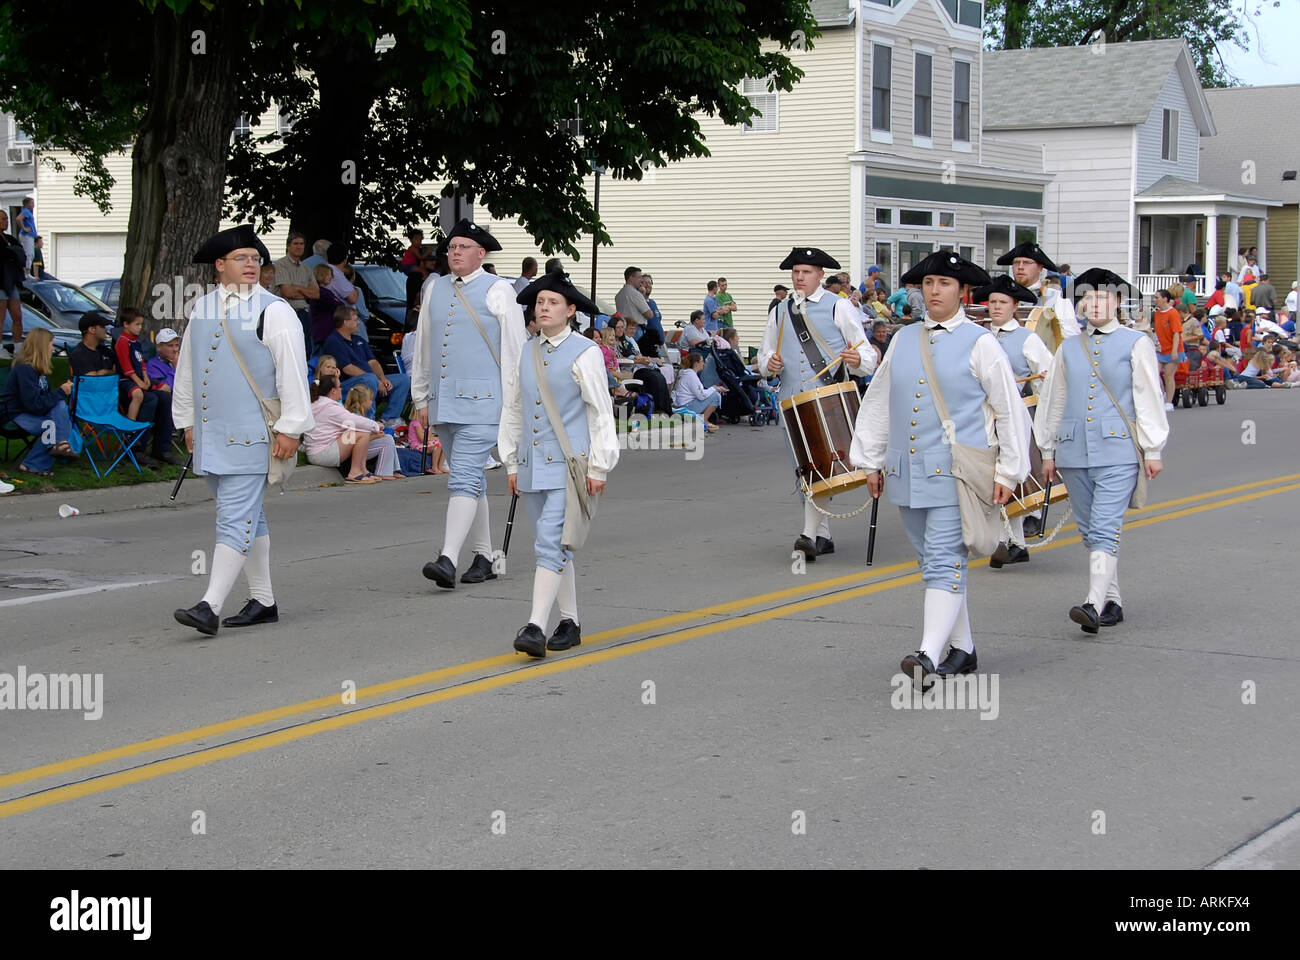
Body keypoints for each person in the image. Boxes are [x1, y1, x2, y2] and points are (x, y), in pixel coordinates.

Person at [850, 251, 1027, 688]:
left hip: (957, 473)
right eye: (928, 284)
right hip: (907, 470)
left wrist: (1008, 471)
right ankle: (963, 649)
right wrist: (870, 459)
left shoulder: (981, 342)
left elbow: (1009, 409)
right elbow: (879, 401)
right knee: (935, 563)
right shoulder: (904, 338)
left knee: (946, 558)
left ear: (963, 291)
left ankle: (927, 653)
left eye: (944, 283)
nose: (934, 291)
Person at [171, 224, 314, 636]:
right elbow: (187, 370)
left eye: (255, 258)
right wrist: (187, 420)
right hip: (213, 433)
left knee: (234, 517)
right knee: (247, 515)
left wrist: (291, 428)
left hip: (255, 434)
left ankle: (208, 605)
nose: (251, 264)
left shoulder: (276, 310)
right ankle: (264, 600)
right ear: (220, 266)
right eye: (241, 258)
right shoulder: (203, 307)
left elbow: (293, 374)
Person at [1035, 268, 1169, 634]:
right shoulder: (1068, 347)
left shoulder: (1135, 342)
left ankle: (1092, 604)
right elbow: (1054, 399)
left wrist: (1152, 448)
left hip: (1119, 450)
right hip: (1074, 449)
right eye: (1087, 299)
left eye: (1102, 297)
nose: (1094, 304)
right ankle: (1112, 600)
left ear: (1117, 302)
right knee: (1090, 530)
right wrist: (1047, 451)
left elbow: (1147, 395)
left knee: (1106, 526)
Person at [500, 268, 619, 658]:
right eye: (540, 302)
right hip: (533, 464)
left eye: (553, 302)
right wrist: (512, 462)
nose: (544, 308)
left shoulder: (584, 352)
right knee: (552, 544)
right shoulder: (527, 350)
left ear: (570, 310)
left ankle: (534, 626)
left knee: (550, 544)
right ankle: (570, 621)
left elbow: (601, 412)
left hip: (571, 465)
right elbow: (514, 408)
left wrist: (599, 465)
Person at [412, 219, 526, 589]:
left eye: (463, 247)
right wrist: (421, 395)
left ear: (481, 254)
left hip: (484, 402)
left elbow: (515, 351)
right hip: (444, 401)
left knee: (461, 475)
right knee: (471, 477)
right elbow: (424, 346)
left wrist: (517, 406)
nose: (455, 253)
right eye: (452, 247)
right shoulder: (434, 287)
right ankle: (484, 555)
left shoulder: (499, 291)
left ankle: (447, 558)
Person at [759, 246, 876, 560]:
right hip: (790, 401)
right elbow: (764, 353)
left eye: (806, 272)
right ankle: (821, 535)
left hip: (828, 399)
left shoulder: (839, 307)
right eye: (796, 272)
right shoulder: (779, 310)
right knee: (804, 468)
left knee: (820, 467)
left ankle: (810, 534)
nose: (799, 278)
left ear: (820, 276)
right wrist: (770, 364)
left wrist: (856, 360)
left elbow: (868, 355)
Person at [973, 274, 1053, 568]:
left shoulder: (1027, 338)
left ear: (1014, 306)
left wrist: (1041, 408)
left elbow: (1047, 374)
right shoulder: (979, 335)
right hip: (982, 415)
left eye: (1002, 303)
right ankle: (1010, 542)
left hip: (1014, 412)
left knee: (1009, 476)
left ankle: (1012, 542)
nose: (995, 307)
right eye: (992, 302)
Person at [0, 328, 77, 478]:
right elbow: (33, 404)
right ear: (42, 346)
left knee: (58, 412)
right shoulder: (25, 370)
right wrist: (61, 392)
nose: (52, 348)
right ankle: (42, 458)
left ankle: (48, 453)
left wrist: (60, 394)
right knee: (53, 424)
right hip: (14, 415)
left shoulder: (39, 370)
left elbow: (44, 400)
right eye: (51, 344)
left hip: (30, 412)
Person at [322, 306, 410, 426]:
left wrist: (382, 379)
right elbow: (348, 368)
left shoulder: (359, 340)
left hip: (371, 381)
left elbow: (373, 362)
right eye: (355, 319)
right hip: (346, 386)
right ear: (345, 322)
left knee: (403, 379)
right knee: (370, 379)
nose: (358, 322)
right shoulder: (334, 341)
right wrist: (375, 380)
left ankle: (389, 419)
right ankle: (369, 420)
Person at [114, 307, 177, 465]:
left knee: (164, 397)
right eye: (137, 324)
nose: (140, 328)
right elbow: (127, 367)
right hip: (126, 386)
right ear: (126, 324)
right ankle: (136, 448)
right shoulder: (122, 341)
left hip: (141, 383)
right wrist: (140, 381)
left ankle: (162, 449)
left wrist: (145, 378)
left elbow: (140, 362)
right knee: (150, 400)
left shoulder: (136, 342)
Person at [995, 242, 1080, 353]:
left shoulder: (1056, 297)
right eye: (1016, 262)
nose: (1020, 267)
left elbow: (1071, 337)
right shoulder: (1001, 297)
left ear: (1040, 267)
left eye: (1026, 263)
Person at [303, 373, 382, 484]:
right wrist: (376, 425)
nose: (342, 389)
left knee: (361, 431)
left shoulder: (319, 403)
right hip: (323, 453)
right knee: (362, 433)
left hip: (317, 451)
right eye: (339, 386)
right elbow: (353, 420)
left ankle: (363, 470)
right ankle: (355, 473)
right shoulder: (330, 408)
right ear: (333, 391)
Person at [342, 384, 404, 477]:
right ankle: (383, 472)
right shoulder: (354, 418)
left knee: (388, 437)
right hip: (353, 454)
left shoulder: (360, 416)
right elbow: (353, 441)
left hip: (360, 450)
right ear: (363, 402)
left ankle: (393, 470)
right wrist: (375, 436)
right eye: (370, 399)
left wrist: (376, 435)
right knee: (387, 441)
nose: (372, 402)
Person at [273, 232, 320, 350]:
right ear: (288, 246)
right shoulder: (280, 264)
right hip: (287, 312)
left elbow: (316, 294)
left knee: (305, 349)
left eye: (302, 244)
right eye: (295, 244)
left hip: (304, 312)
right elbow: (287, 292)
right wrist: (306, 292)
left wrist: (297, 287)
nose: (299, 247)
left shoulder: (306, 269)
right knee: (288, 348)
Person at [672, 350, 722, 430]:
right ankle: (704, 421)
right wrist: (714, 388)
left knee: (713, 393)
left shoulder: (687, 373)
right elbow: (701, 395)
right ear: (696, 363)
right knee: (716, 396)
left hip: (683, 404)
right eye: (702, 361)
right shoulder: (691, 376)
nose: (704, 364)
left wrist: (713, 388)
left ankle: (700, 419)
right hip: (687, 406)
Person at [1151, 289, 1183, 411]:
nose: (1155, 300)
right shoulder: (1157, 314)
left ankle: (1169, 402)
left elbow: (1176, 333)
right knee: (1154, 373)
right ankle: (1162, 395)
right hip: (1160, 349)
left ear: (1165, 299)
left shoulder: (1173, 313)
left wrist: (1174, 351)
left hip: (1173, 349)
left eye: (1157, 297)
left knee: (1168, 375)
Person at [0, 210, 25, 350]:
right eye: (2, 219)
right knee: (1, 317)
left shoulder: (10, 238)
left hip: (12, 281)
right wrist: (11, 253)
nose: (6, 221)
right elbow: (6, 254)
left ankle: (18, 346)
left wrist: (12, 253)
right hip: (1, 282)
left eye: (7, 219)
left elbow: (20, 253)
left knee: (17, 315)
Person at [69, 313, 119, 379]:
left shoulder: (106, 351)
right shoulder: (78, 355)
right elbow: (91, 379)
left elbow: (119, 370)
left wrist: (105, 372)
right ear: (92, 330)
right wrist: (110, 372)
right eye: (102, 327)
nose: (106, 329)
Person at [308, 264, 346, 347]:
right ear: (321, 275)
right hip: (323, 332)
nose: (331, 277)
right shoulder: (322, 293)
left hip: (323, 332)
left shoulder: (322, 292)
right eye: (329, 274)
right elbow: (339, 305)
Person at [637, 273, 666, 357]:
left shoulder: (652, 302)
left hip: (658, 345)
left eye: (650, 283)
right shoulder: (639, 302)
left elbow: (657, 320)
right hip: (648, 347)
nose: (648, 285)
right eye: (644, 283)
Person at [17, 198, 36, 276]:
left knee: (31, 254)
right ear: (26, 204)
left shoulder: (28, 212)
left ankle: (27, 272)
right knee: (28, 254)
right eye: (31, 203)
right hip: (26, 235)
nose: (33, 205)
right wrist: (24, 228)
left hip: (30, 236)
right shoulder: (26, 211)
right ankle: (27, 273)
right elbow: (18, 219)